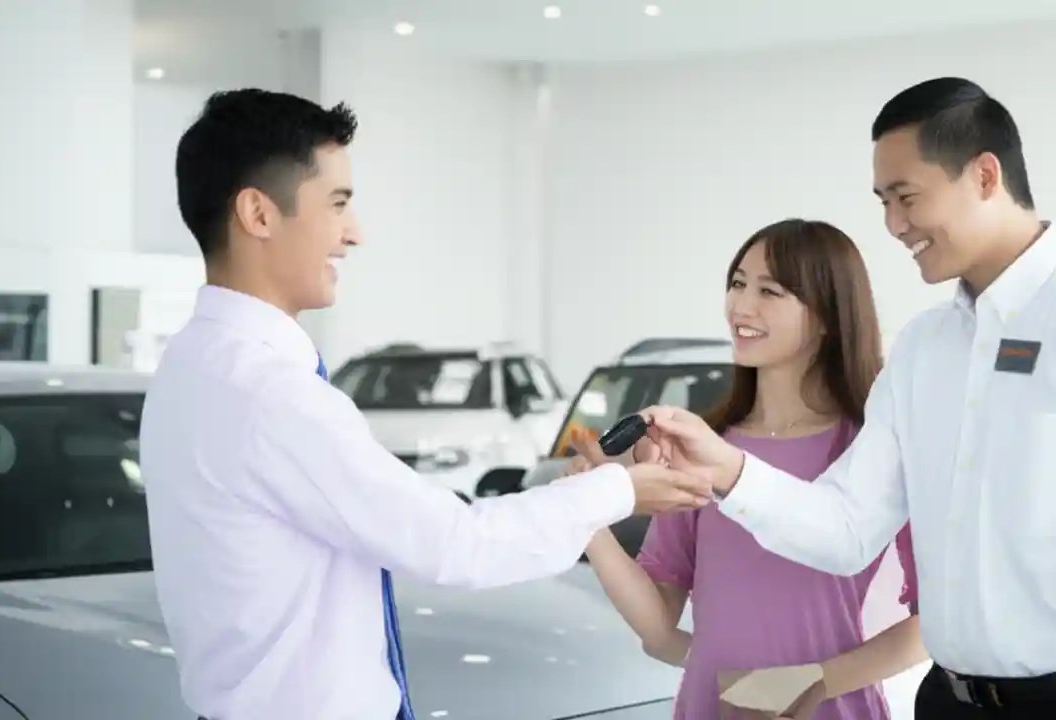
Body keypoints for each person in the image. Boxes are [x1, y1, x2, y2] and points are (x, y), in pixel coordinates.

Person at [634, 78, 1056, 720]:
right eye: (883, 201)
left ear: (985, 176)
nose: (893, 225)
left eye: (906, 198)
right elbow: (847, 528)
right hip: (947, 703)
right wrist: (728, 471)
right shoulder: (924, 348)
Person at [139, 89, 712, 720]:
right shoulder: (268, 392)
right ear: (258, 213)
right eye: (338, 204)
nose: (353, 233)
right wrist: (622, 492)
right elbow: (452, 544)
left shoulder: (193, 362)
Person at [565, 219, 927, 719]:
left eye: (769, 290)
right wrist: (590, 521)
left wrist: (815, 683)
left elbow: (933, 625)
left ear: (826, 315)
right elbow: (659, 628)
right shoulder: (704, 447)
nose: (741, 306)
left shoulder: (873, 448)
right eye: (736, 284)